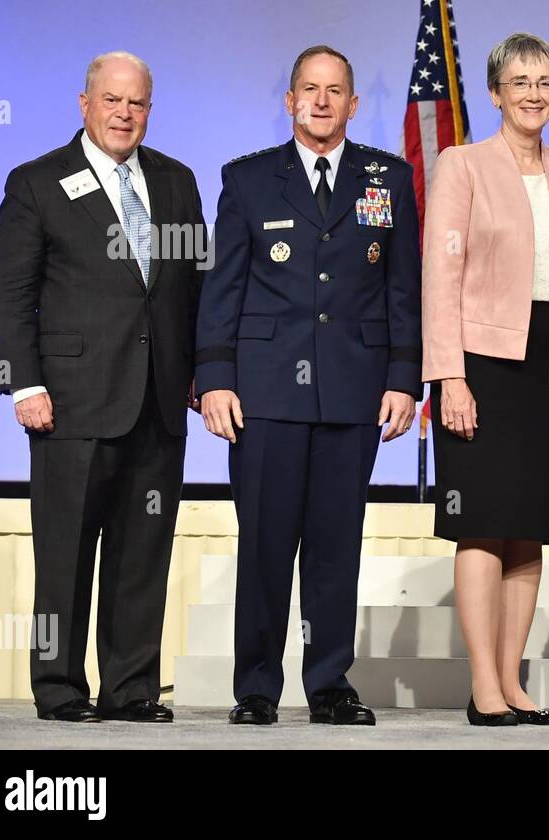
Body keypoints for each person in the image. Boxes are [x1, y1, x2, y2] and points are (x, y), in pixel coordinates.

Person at [196, 45, 422, 726]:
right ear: (290, 100)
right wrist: (214, 378)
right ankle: (257, 687)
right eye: (308, 89)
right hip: (263, 391)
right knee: (264, 541)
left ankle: (329, 683)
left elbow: (403, 287)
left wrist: (404, 378)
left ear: (353, 104)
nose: (321, 102)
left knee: (335, 543)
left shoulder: (390, 177)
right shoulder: (248, 180)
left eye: (334, 91)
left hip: (354, 388)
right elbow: (222, 287)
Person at [0, 51, 203, 723]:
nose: (123, 114)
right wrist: (23, 384)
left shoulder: (175, 182)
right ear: (85, 105)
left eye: (136, 103)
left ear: (149, 109)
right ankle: (58, 687)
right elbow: (8, 292)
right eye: (111, 100)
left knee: (143, 555)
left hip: (159, 401)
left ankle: (131, 688)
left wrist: (200, 373)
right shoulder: (37, 182)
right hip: (71, 404)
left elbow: (192, 288)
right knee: (65, 557)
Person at [422, 33, 549, 726]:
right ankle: (485, 687)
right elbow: (440, 278)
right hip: (483, 364)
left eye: (545, 82)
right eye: (520, 81)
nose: (533, 93)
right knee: (482, 526)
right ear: (494, 92)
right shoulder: (462, 164)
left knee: (528, 528)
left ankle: (515, 683)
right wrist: (449, 377)